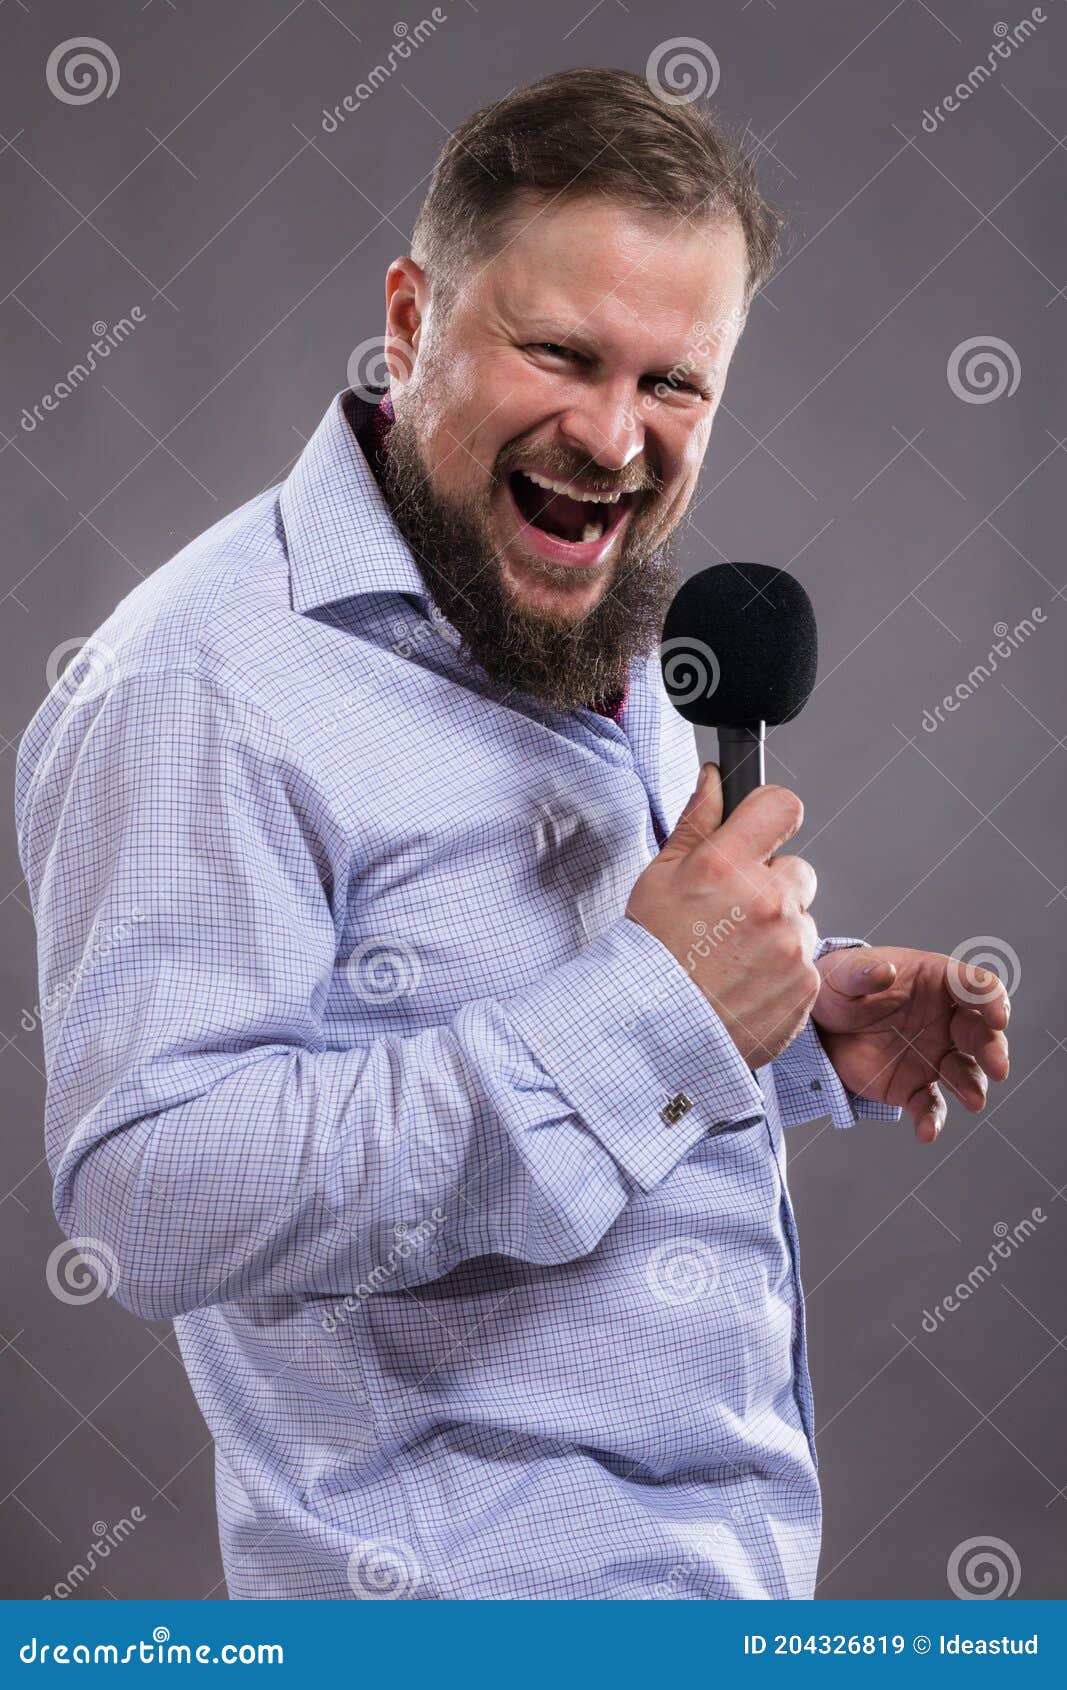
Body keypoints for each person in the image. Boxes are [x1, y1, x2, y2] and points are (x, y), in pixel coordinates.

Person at [14, 67, 1009, 1600]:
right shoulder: (199, 686)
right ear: (410, 323)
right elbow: (151, 1191)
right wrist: (656, 1008)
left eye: (675, 384)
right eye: (561, 354)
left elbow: (563, 996)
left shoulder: (583, 606)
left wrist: (789, 1021)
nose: (616, 437)